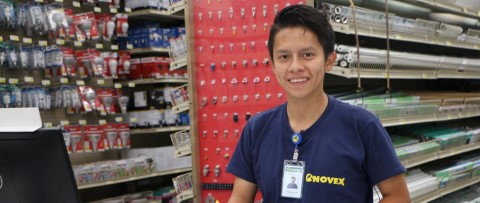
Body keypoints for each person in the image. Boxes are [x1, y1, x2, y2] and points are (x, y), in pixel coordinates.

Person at [226, 4, 410, 203]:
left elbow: (398, 196)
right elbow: (239, 198)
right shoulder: (257, 130)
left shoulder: (362, 126)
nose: (295, 66)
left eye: (307, 55)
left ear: (329, 61)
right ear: (273, 64)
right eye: (284, 57)